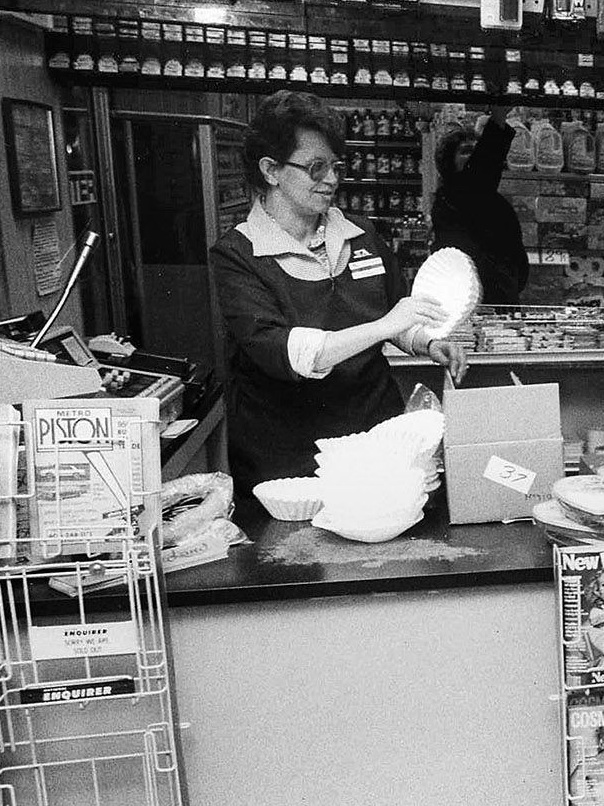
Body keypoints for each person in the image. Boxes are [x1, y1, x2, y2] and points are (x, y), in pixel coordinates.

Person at [209, 91, 465, 500]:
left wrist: (427, 342)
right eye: (315, 167)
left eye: (335, 167)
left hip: (374, 440)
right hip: (288, 461)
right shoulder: (239, 255)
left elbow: (397, 313)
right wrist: (384, 326)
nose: (331, 180)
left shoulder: (360, 234)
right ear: (271, 170)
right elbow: (289, 354)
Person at [429, 113, 529, 308]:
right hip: (473, 299)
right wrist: (498, 115)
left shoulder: (486, 194)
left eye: (477, 151)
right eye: (466, 151)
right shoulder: (452, 196)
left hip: (499, 297)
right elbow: (484, 165)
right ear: (449, 160)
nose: (473, 158)